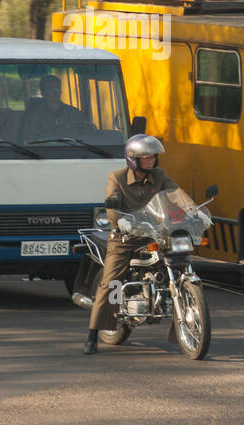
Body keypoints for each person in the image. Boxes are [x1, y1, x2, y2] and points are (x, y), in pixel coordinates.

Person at [84, 135, 178, 355]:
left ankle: (182, 322)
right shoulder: (116, 178)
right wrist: (121, 219)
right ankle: (92, 335)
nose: (151, 160)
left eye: (153, 156)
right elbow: (112, 206)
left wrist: (192, 212)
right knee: (110, 283)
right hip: (124, 239)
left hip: (154, 235)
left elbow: (175, 195)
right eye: (146, 156)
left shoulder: (159, 176)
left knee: (181, 264)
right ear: (133, 159)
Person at [22, 73, 92, 145]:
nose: (55, 92)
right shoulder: (34, 116)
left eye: (57, 88)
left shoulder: (74, 113)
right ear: (43, 92)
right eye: (50, 88)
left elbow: (87, 135)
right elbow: (29, 141)